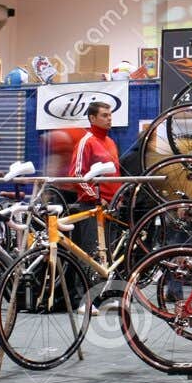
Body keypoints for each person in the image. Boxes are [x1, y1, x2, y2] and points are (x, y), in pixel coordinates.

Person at [67, 100, 121, 265]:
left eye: (110, 115)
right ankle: (86, 291)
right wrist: (96, 198)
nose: (109, 119)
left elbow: (115, 175)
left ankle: (105, 290)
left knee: (109, 256)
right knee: (91, 256)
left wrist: (119, 199)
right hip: (93, 207)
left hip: (112, 208)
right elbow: (76, 175)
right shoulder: (86, 142)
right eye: (104, 115)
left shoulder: (110, 142)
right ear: (92, 118)